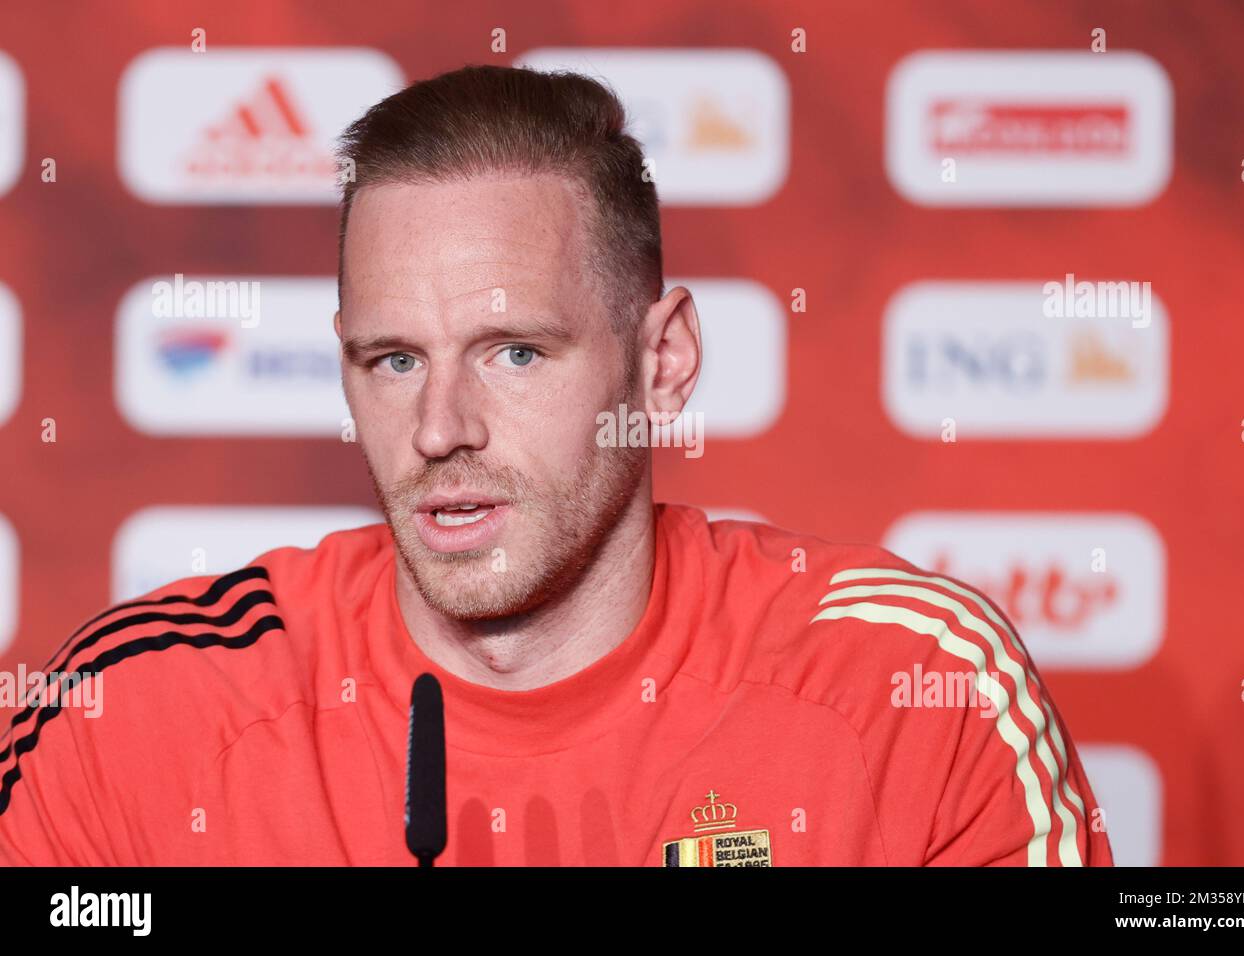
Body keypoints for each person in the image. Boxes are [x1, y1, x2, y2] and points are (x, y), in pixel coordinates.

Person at [0, 64, 1111, 866]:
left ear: (662, 362)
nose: (441, 427)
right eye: (391, 359)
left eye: (515, 352)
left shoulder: (912, 692)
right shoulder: (131, 712)